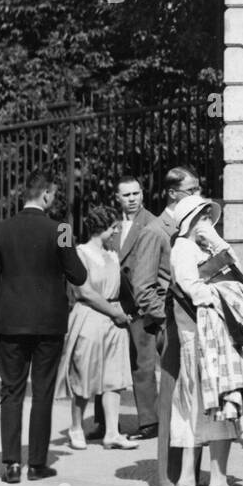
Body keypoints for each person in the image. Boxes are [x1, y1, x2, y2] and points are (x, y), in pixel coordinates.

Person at [0, 170, 87, 483]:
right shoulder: (62, 229)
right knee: (42, 392)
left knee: (11, 391)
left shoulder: (0, 230)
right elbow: (79, 276)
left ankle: (11, 463)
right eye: (53, 195)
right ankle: (38, 463)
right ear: (45, 195)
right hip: (48, 323)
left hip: (10, 322)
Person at [168, 195, 243, 486]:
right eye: (204, 217)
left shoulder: (204, 245)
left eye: (211, 216)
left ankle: (186, 481)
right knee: (218, 402)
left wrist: (216, 241)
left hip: (210, 334)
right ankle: (218, 483)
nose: (210, 221)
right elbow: (192, 289)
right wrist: (225, 295)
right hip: (202, 336)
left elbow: (236, 267)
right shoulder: (183, 248)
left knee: (198, 406)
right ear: (192, 220)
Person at [57, 205, 137, 451]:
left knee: (115, 377)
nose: (115, 232)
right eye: (113, 227)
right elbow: (85, 291)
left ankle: (112, 432)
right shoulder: (80, 253)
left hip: (114, 320)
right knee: (85, 373)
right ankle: (76, 426)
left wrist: (122, 312)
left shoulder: (112, 255)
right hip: (90, 316)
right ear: (102, 227)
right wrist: (116, 313)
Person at [95, 176, 164, 442]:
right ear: (117, 198)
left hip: (139, 304)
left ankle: (149, 421)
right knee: (106, 363)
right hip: (112, 305)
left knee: (142, 363)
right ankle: (104, 423)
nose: (132, 199)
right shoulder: (110, 226)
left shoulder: (153, 223)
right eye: (126, 195)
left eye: (136, 193)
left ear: (143, 195)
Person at [153, 168, 199, 486]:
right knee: (171, 398)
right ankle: (169, 477)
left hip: (191, 321)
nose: (197, 194)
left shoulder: (192, 221)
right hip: (171, 323)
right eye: (191, 189)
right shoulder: (157, 228)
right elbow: (141, 283)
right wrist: (157, 321)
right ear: (172, 193)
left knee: (192, 397)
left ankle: (189, 474)